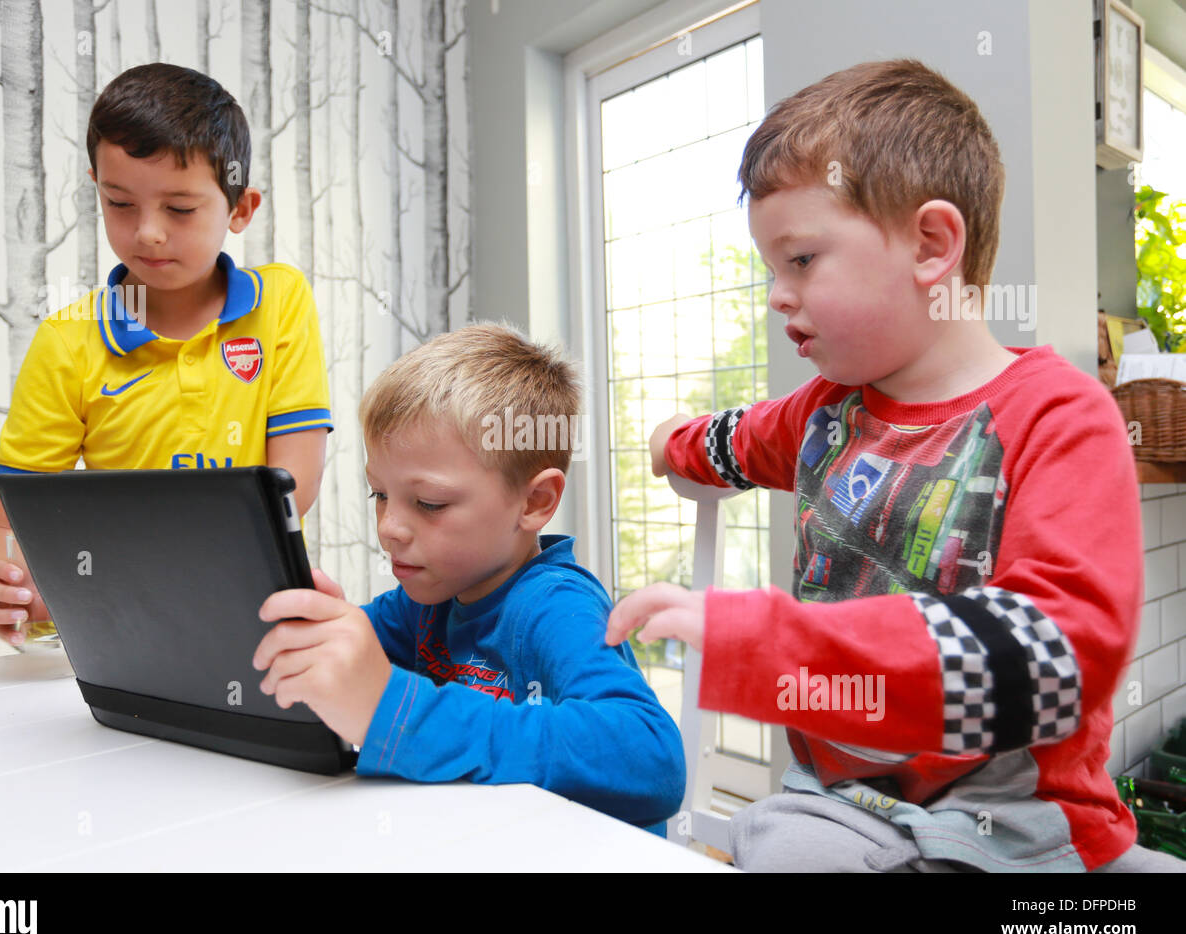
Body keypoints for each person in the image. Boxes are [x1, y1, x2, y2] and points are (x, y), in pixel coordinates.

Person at [606, 59, 1183, 871]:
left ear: (931, 245)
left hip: (1020, 825)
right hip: (844, 807)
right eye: (772, 268)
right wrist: (673, 441)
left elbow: (1059, 655)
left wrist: (772, 643)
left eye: (801, 260)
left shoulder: (1062, 416)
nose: (776, 295)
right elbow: (731, 440)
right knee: (785, 847)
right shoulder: (823, 411)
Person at [253, 324, 686, 834]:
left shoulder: (557, 607)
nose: (389, 527)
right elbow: (347, 672)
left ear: (535, 501)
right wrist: (316, 637)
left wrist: (399, 712)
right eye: (380, 495)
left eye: (429, 503)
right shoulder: (425, 600)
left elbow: (651, 757)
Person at [0, 64, 332, 647]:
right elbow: (4, 529)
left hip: (261, 625)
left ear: (240, 209)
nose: (148, 233)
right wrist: (7, 578)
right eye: (120, 203)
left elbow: (292, 485)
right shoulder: (67, 341)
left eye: (180, 209)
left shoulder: (280, 302)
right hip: (124, 634)